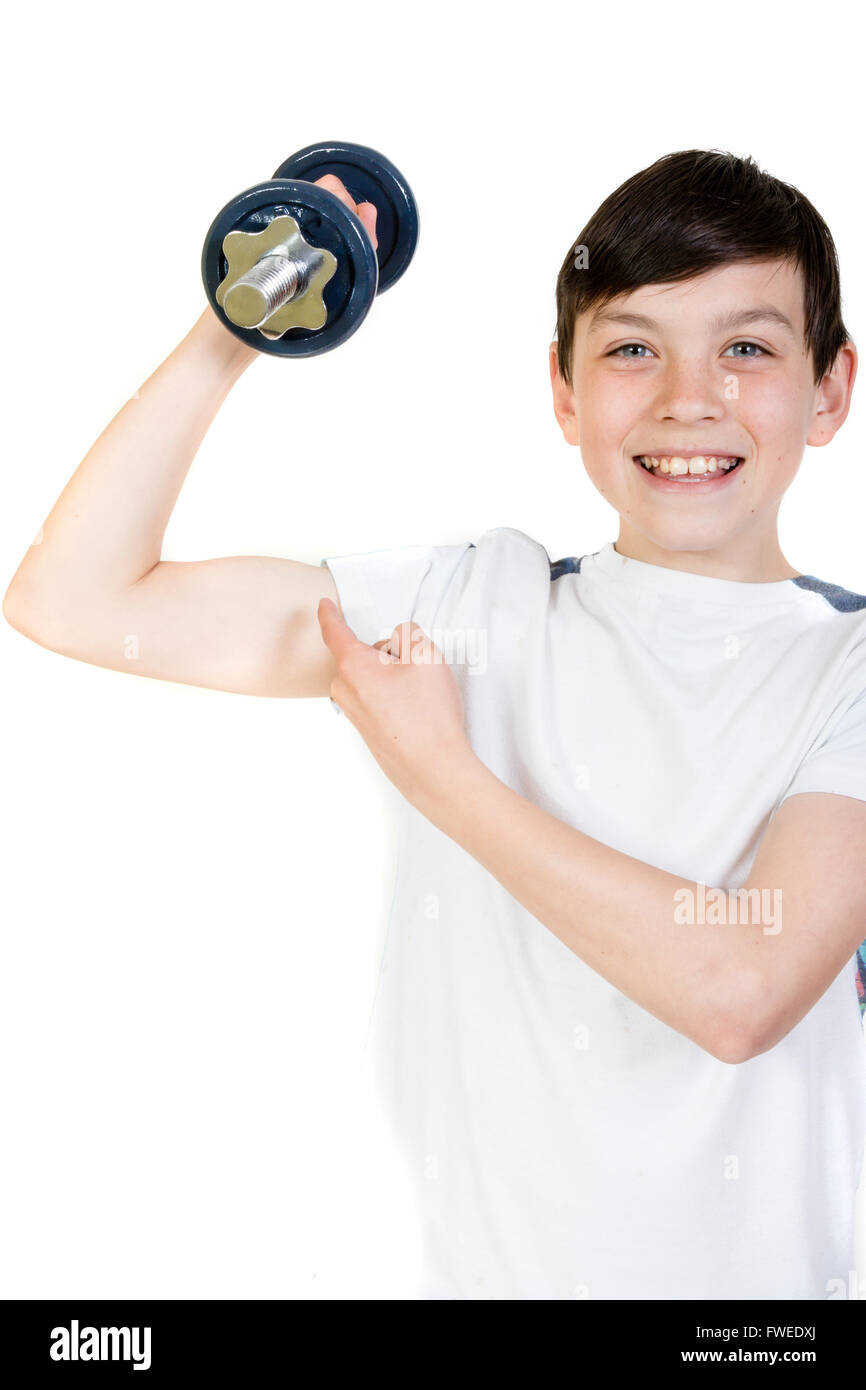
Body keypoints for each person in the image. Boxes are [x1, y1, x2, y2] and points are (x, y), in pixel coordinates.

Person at [5, 150, 866, 1301]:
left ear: (828, 390)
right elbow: (77, 600)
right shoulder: (466, 608)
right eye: (628, 348)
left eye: (746, 348)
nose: (685, 398)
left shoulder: (846, 666)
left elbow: (738, 991)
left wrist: (442, 774)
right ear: (561, 391)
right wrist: (248, 311)